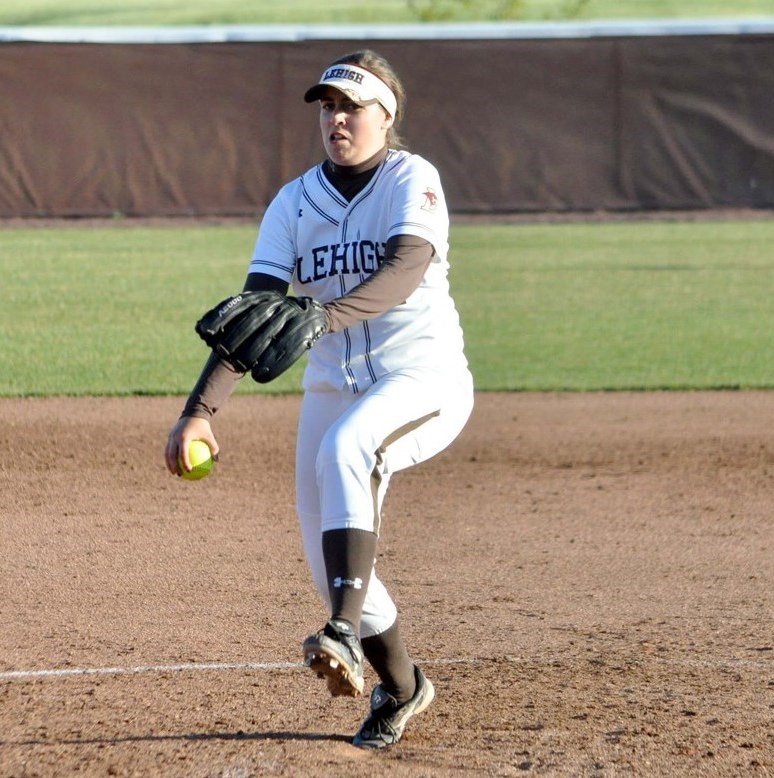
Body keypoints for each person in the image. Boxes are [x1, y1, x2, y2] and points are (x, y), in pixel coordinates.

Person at [163, 49, 474, 749]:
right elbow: (256, 313)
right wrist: (199, 412)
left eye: (351, 107)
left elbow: (405, 269)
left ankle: (340, 629)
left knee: (348, 450)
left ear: (384, 116)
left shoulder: (410, 177)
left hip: (419, 378)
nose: (336, 118)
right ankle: (401, 687)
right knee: (324, 550)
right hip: (334, 385)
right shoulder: (293, 201)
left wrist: (322, 316)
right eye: (327, 106)